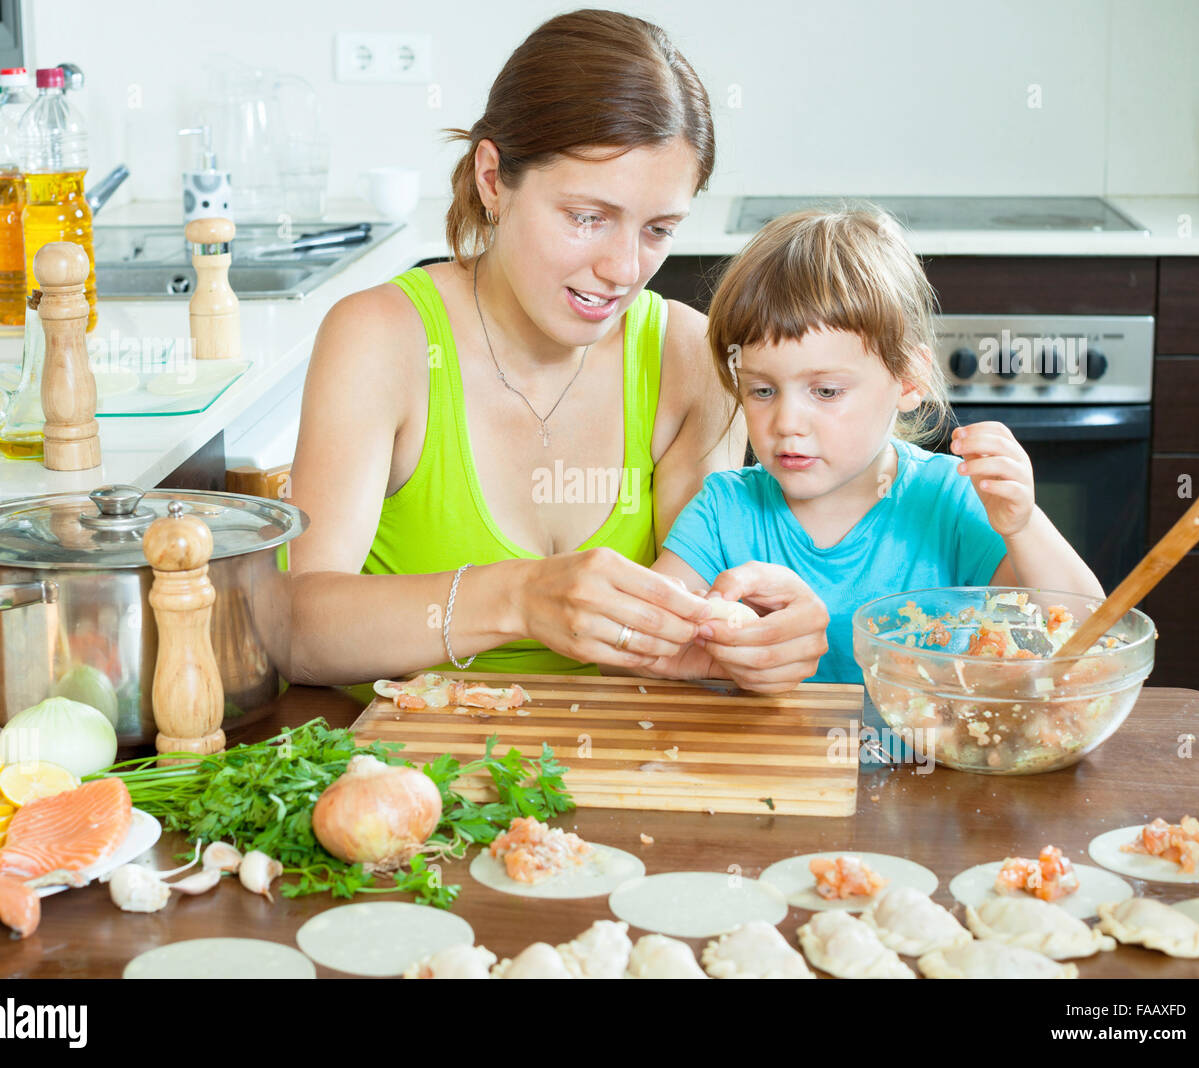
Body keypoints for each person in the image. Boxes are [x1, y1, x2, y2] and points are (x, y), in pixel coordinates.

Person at [285, 9, 829, 695]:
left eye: (659, 228)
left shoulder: (690, 357)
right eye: (588, 217)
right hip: (407, 780)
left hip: (622, 767)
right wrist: (518, 598)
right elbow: (296, 630)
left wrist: (757, 637)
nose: (624, 268)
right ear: (492, 178)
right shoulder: (383, 340)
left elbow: (701, 625)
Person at [644, 207, 1106, 685]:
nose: (786, 422)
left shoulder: (948, 500)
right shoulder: (723, 511)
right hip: (772, 759)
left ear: (908, 379)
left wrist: (1023, 524)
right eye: (763, 390)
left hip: (925, 757)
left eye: (825, 392)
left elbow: (1086, 633)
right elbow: (641, 641)